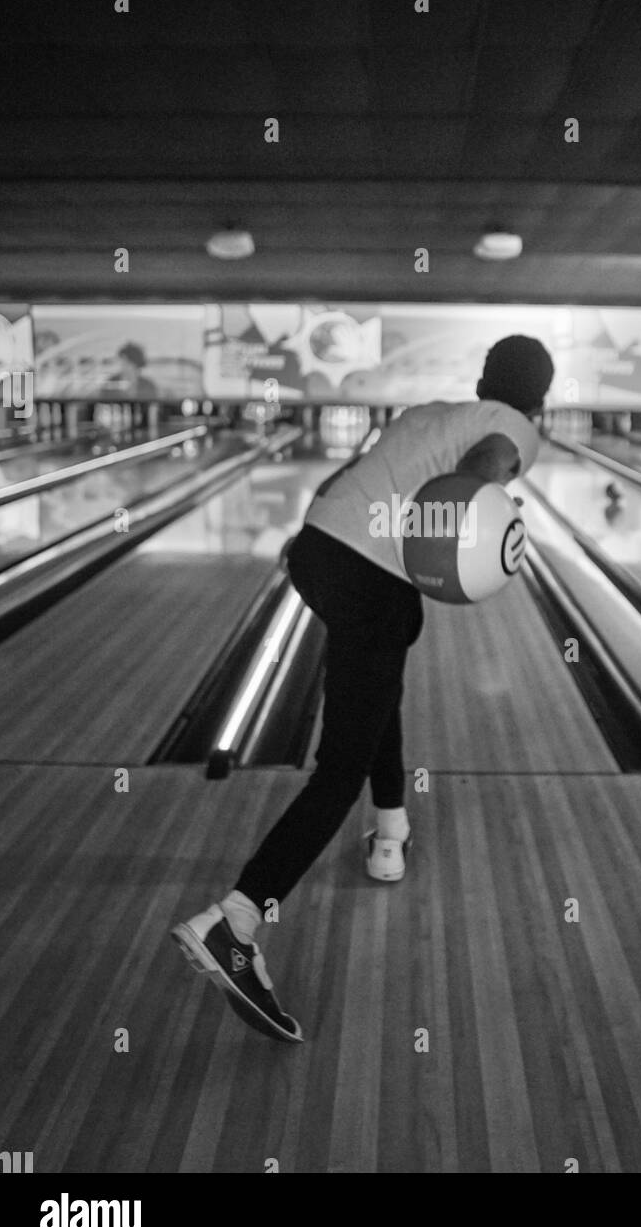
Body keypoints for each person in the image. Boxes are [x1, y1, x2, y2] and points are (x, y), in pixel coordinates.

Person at [171, 334, 555, 1042]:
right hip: (371, 577)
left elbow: (338, 481)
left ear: (479, 379)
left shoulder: (426, 413)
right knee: (338, 767)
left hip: (321, 549)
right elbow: (478, 475)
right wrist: (473, 518)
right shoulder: (518, 430)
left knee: (380, 680)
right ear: (542, 397)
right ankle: (235, 920)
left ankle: (391, 831)